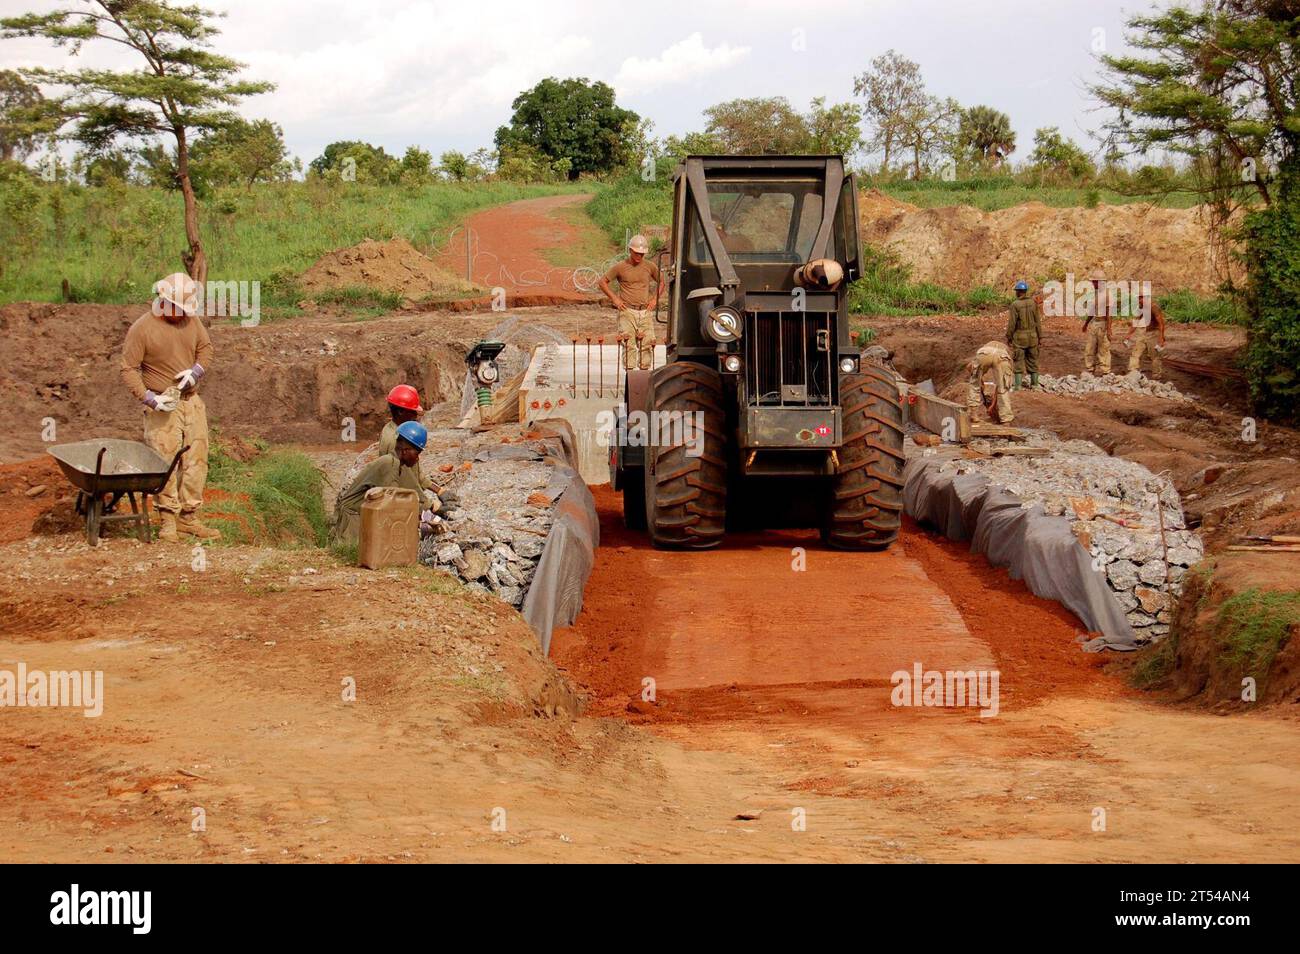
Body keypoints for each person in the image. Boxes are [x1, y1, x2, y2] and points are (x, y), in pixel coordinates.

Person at [120, 272, 218, 543]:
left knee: (196, 460)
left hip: (191, 403)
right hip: (163, 407)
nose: (184, 315)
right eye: (180, 309)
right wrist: (150, 398)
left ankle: (189, 517)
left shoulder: (191, 321)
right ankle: (167, 520)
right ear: (164, 302)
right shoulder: (142, 329)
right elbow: (128, 369)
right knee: (166, 463)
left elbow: (206, 349)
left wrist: (195, 372)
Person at [332, 421, 439, 546]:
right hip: (352, 519)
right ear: (405, 451)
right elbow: (394, 505)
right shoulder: (389, 465)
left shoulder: (395, 463)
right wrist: (423, 523)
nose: (417, 458)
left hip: (361, 514)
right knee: (356, 555)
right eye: (417, 453)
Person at [598, 234, 663, 371]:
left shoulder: (650, 266)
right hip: (627, 311)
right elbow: (602, 282)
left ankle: (644, 375)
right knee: (629, 345)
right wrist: (614, 298)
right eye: (636, 253)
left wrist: (655, 300)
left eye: (642, 253)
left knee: (647, 344)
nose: (639, 256)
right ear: (630, 250)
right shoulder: (620, 267)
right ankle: (630, 377)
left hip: (645, 311)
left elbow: (662, 282)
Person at [966, 341, 1016, 424]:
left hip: (985, 354)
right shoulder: (1007, 354)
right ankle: (1006, 420)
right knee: (1003, 389)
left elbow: (969, 367)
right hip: (1001, 356)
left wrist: (979, 379)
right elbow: (1000, 388)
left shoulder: (987, 346)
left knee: (974, 385)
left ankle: (974, 415)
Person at [1005, 280, 1042, 389]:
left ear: (1018, 292)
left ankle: (1018, 386)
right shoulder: (1033, 303)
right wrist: (1040, 337)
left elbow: (1012, 324)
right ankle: (1035, 385)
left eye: (1016, 291)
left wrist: (1009, 336)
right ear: (1025, 291)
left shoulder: (1015, 305)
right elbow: (1038, 322)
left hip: (1020, 338)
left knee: (1018, 361)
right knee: (1033, 361)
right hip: (1033, 337)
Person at [1124, 291, 1167, 378]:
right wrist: (1128, 334)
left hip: (1154, 333)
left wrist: (1161, 338)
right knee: (1136, 352)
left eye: (1141, 298)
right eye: (1138, 298)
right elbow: (1136, 321)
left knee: (1155, 356)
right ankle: (1133, 372)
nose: (1139, 300)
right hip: (1145, 332)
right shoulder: (1141, 307)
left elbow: (1161, 323)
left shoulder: (1154, 307)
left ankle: (1156, 375)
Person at [1082, 267, 1113, 375]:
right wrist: (1086, 324)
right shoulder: (1095, 294)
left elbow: (1109, 314)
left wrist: (1109, 329)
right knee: (1090, 348)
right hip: (1094, 323)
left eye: (1094, 282)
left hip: (1103, 324)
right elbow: (1092, 311)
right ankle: (1089, 370)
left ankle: (1106, 372)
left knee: (1103, 349)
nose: (1093, 284)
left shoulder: (1108, 295)